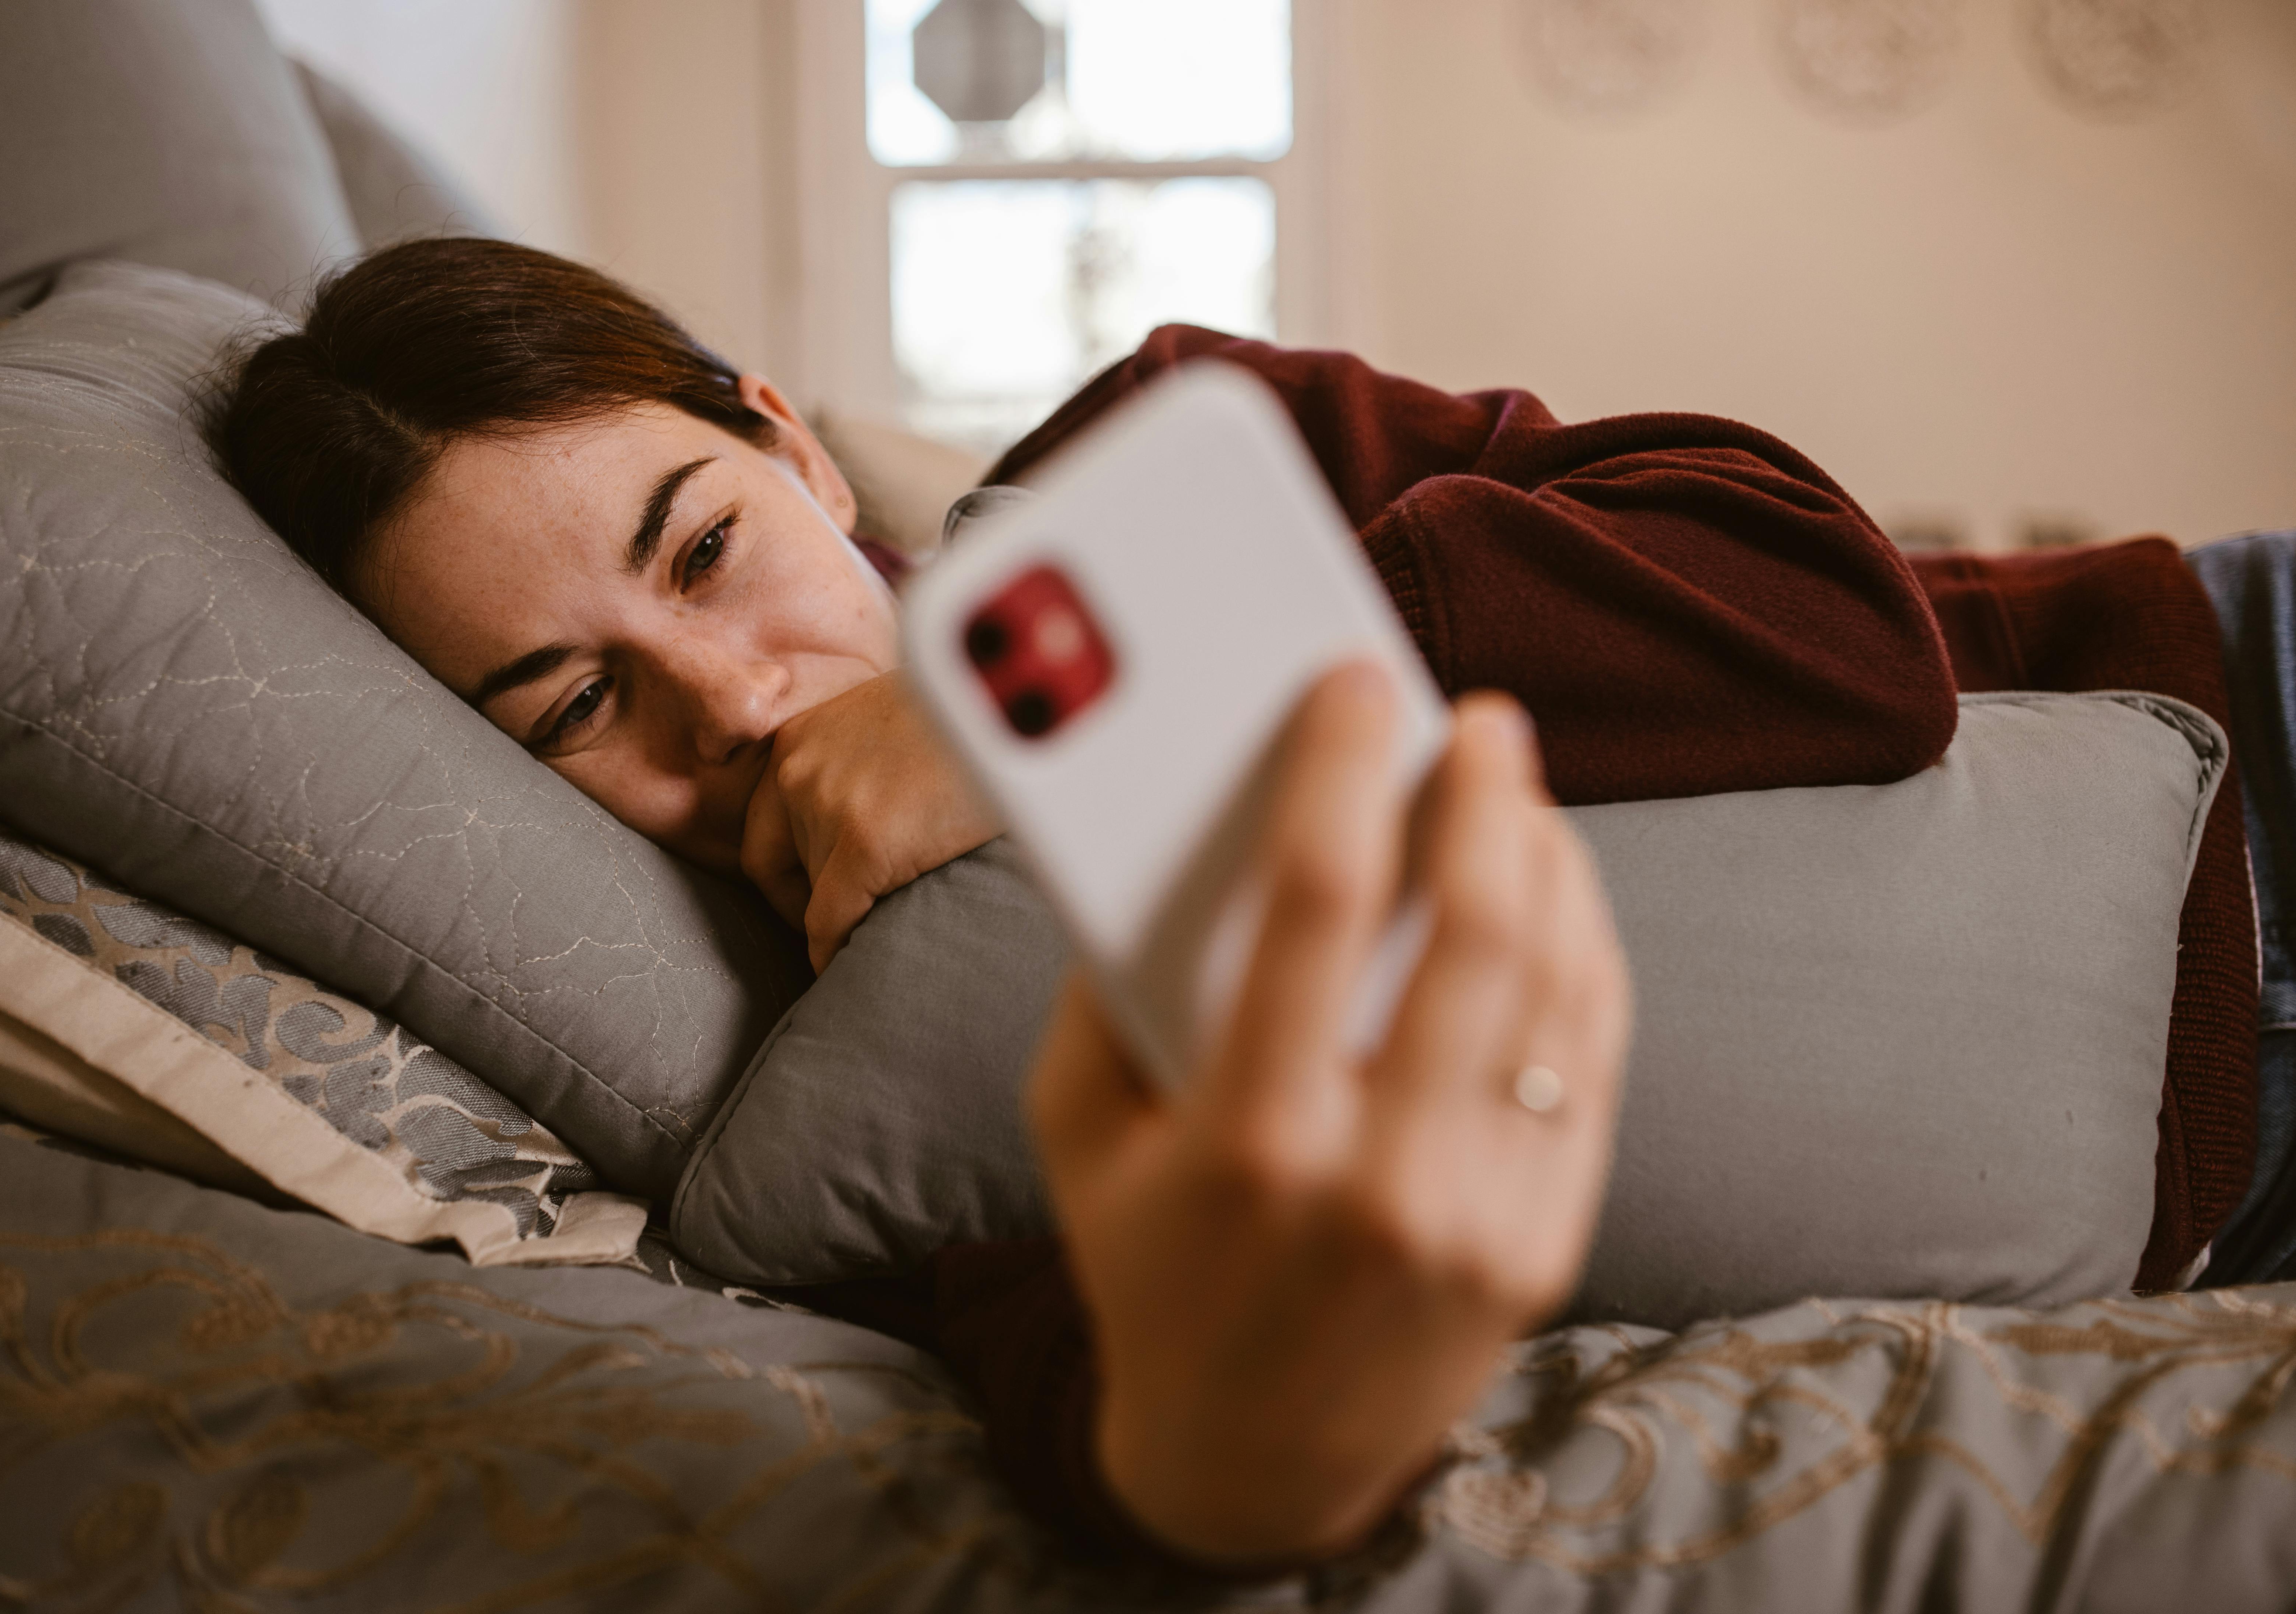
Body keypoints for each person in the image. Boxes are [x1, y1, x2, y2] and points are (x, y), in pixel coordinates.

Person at [214, 236, 1959, 1568]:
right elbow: (1081, 1379)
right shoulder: (831, 1056)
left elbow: (1838, 612)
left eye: (706, 549)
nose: (733, 708)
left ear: (796, 453)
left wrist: (1040, 712)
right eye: (580, 709)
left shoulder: (1158, 450)